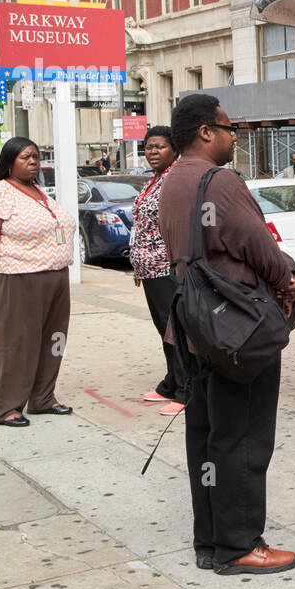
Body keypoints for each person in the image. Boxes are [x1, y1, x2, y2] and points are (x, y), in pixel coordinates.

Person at [158, 94, 295, 575]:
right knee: (242, 436)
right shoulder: (219, 180)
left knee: (205, 436)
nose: (233, 134)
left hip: (195, 327)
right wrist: (287, 279)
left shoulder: (170, 181)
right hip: (236, 332)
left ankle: (211, 539)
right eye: (227, 126)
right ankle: (240, 545)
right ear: (204, 132)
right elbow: (258, 246)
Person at [0, 137, 78, 428]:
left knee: (54, 339)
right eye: (25, 157)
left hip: (55, 276)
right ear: (10, 161)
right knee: (17, 343)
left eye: (36, 157)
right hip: (18, 277)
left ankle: (42, 398)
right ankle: (7, 407)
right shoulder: (0, 192)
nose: (33, 162)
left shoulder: (38, 191)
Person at [129, 125, 185, 417]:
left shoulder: (174, 179)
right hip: (149, 268)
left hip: (168, 268)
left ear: (174, 149)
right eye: (148, 147)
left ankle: (186, 390)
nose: (152, 152)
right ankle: (171, 383)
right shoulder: (154, 180)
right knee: (163, 328)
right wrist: (139, 264)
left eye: (159, 146)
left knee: (175, 330)